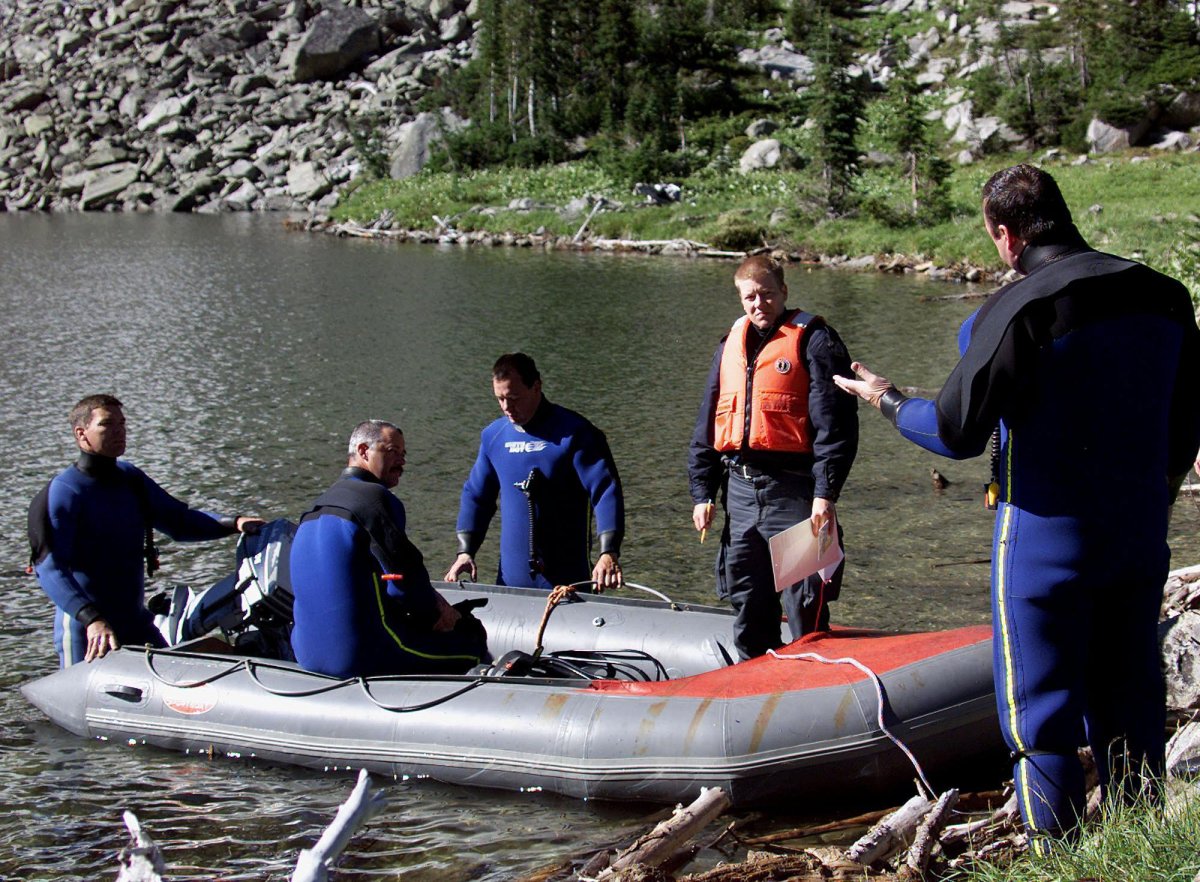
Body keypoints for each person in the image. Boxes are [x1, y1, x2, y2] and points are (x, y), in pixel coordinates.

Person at [834, 163, 1200, 850]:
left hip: (1043, 543)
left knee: (1041, 719)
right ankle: (1142, 847)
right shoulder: (1165, 296)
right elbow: (1187, 424)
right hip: (1139, 533)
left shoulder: (1016, 309)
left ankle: (1054, 859)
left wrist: (886, 399)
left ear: (1005, 235)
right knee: (1131, 700)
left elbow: (952, 431)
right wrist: (1156, 491)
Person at [689, 254, 859, 660]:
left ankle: (815, 689)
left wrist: (826, 492)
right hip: (742, 493)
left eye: (767, 294)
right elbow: (708, 419)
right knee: (747, 601)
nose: (758, 304)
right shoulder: (729, 344)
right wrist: (702, 491)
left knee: (804, 604)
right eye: (749, 297)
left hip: (795, 492)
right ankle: (756, 689)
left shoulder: (816, 340)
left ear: (784, 291)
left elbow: (835, 426)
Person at [29, 394, 263, 667]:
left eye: (122, 424)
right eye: (107, 425)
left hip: (134, 621)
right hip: (87, 630)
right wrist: (91, 619)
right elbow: (49, 568)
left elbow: (178, 521)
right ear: (82, 434)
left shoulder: (130, 479)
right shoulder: (63, 493)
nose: (119, 431)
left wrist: (233, 524)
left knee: (179, 676)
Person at [290, 420, 489, 678]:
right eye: (392, 451)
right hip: (360, 656)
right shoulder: (375, 499)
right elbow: (404, 578)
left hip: (305, 654)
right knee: (471, 639)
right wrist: (440, 616)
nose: (402, 461)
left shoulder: (314, 508)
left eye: (404, 455)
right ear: (363, 451)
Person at [444, 353, 625, 592]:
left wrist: (608, 552)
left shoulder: (575, 433)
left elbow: (605, 491)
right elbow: (477, 496)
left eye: (514, 398)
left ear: (536, 386)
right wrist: (465, 551)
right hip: (511, 581)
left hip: (569, 580)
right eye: (500, 399)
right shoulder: (494, 437)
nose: (507, 407)